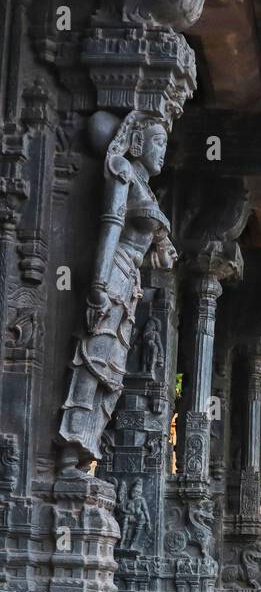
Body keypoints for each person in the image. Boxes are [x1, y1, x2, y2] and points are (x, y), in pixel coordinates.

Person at [58, 109, 176, 476]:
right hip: (112, 275)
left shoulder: (146, 188)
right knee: (93, 359)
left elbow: (156, 249)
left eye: (165, 144)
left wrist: (161, 246)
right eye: (157, 142)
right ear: (137, 142)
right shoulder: (122, 172)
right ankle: (69, 447)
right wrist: (97, 286)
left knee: (113, 372)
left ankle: (84, 451)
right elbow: (110, 228)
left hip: (130, 283)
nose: (162, 152)